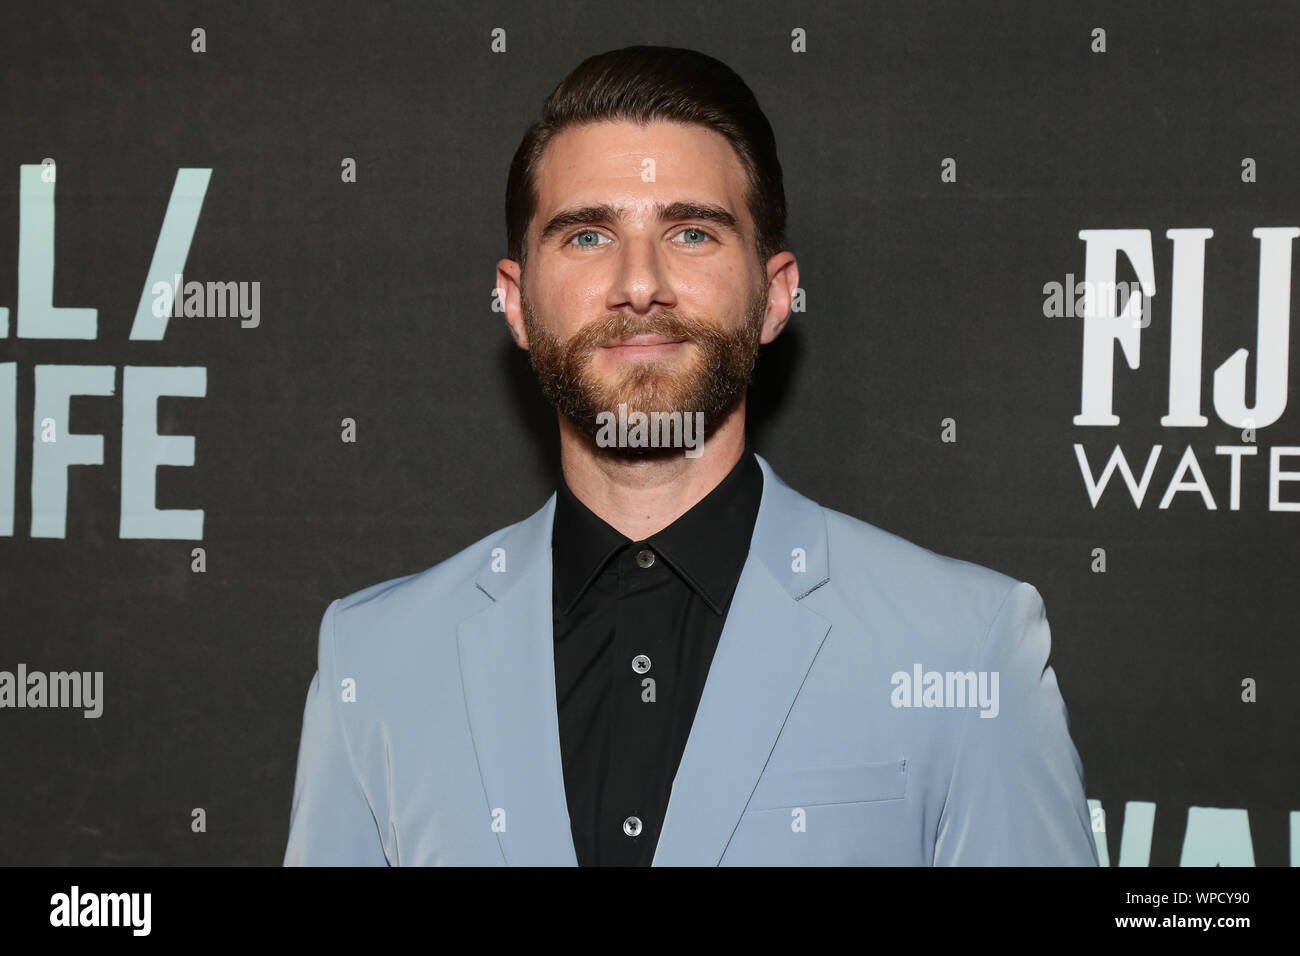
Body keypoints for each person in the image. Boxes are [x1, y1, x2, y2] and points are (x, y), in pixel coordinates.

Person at [283, 45, 1098, 866]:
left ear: (775, 296)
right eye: (589, 235)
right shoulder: (377, 663)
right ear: (516, 303)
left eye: (693, 232)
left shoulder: (962, 646)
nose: (641, 283)